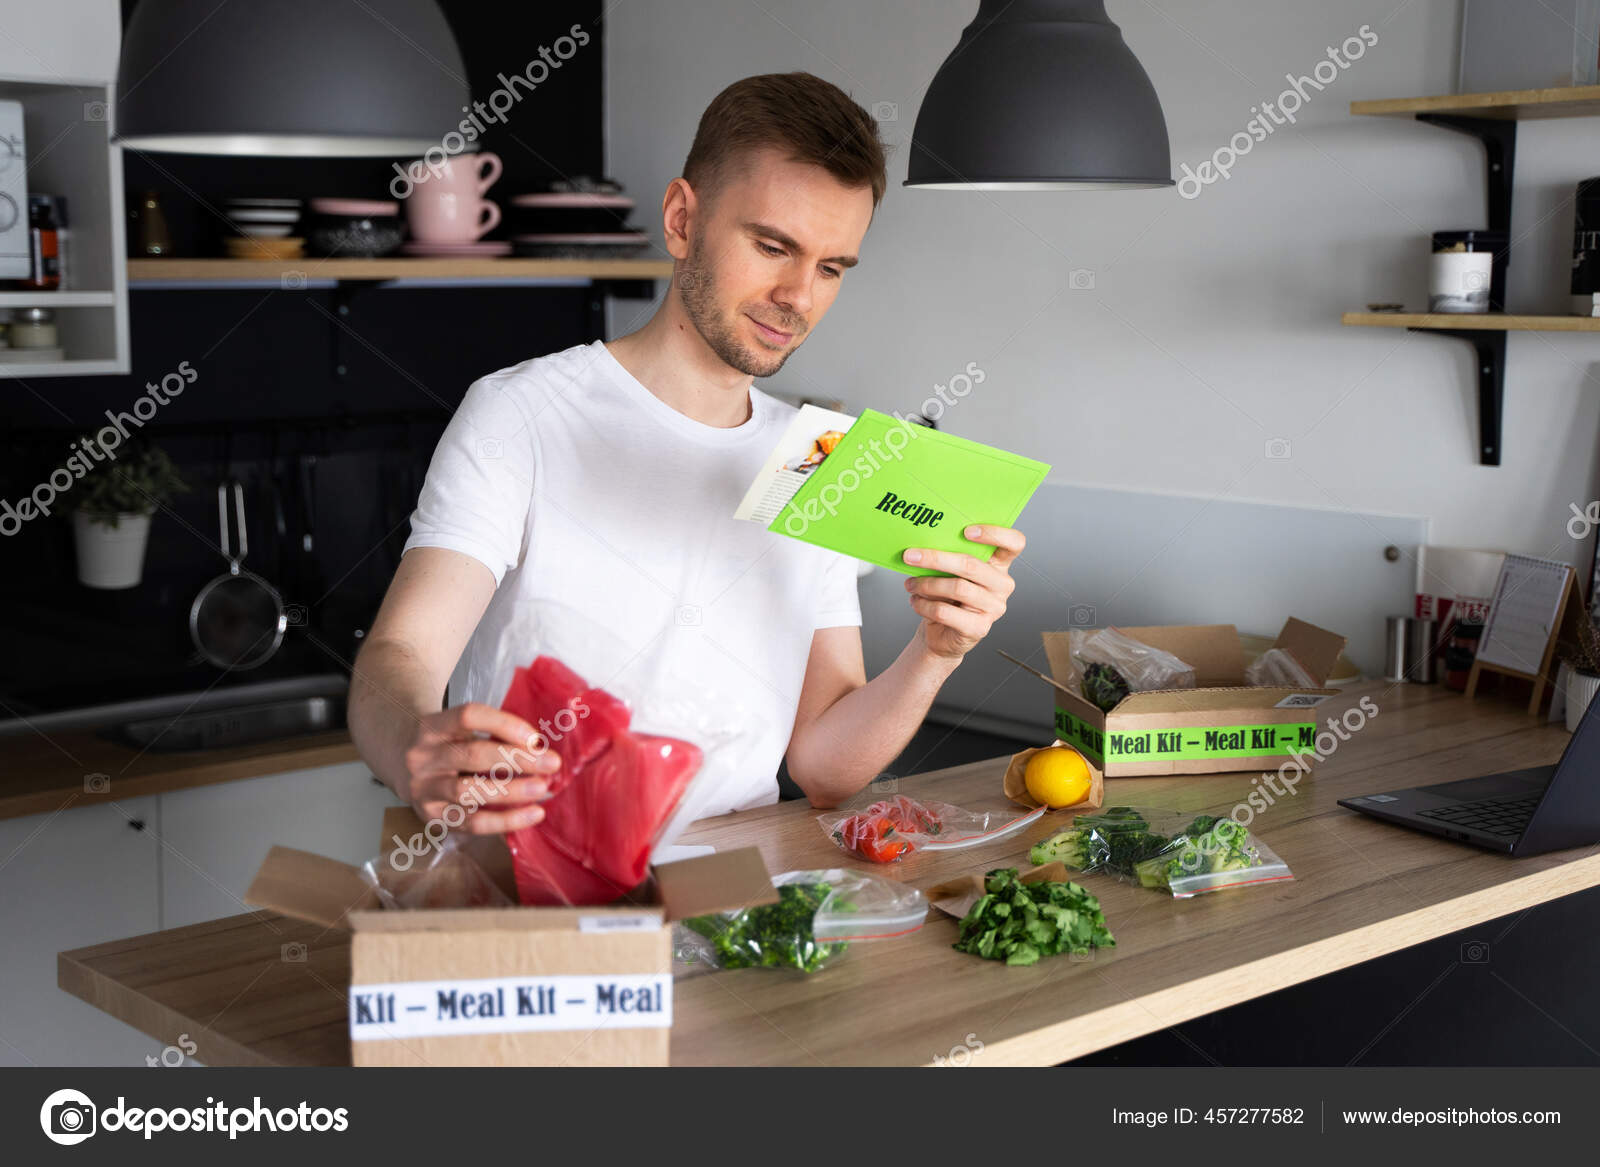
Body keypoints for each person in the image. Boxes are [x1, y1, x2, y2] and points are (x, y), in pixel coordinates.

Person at [348, 71, 1027, 839]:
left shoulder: (818, 457)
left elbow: (822, 762)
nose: (800, 295)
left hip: (740, 906)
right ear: (681, 220)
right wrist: (414, 745)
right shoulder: (523, 414)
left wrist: (936, 653)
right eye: (773, 245)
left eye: (832, 267)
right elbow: (399, 652)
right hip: (534, 895)